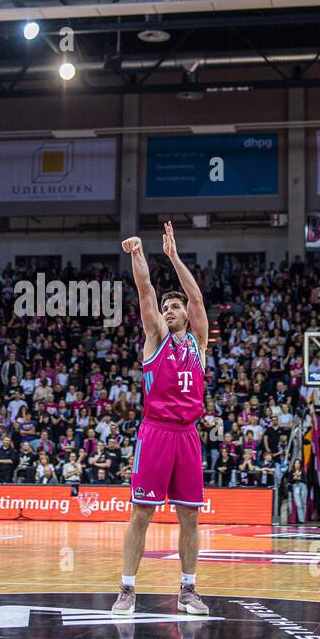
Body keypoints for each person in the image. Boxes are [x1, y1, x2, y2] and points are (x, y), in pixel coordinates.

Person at [113, 222, 209, 617]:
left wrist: (173, 256)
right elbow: (146, 292)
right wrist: (138, 254)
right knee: (141, 513)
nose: (169, 311)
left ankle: (188, 590)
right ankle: (126, 590)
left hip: (187, 435)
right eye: (166, 309)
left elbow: (198, 299)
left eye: (175, 307)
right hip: (155, 433)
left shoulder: (199, 342)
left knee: (189, 516)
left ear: (185, 313)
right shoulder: (155, 338)